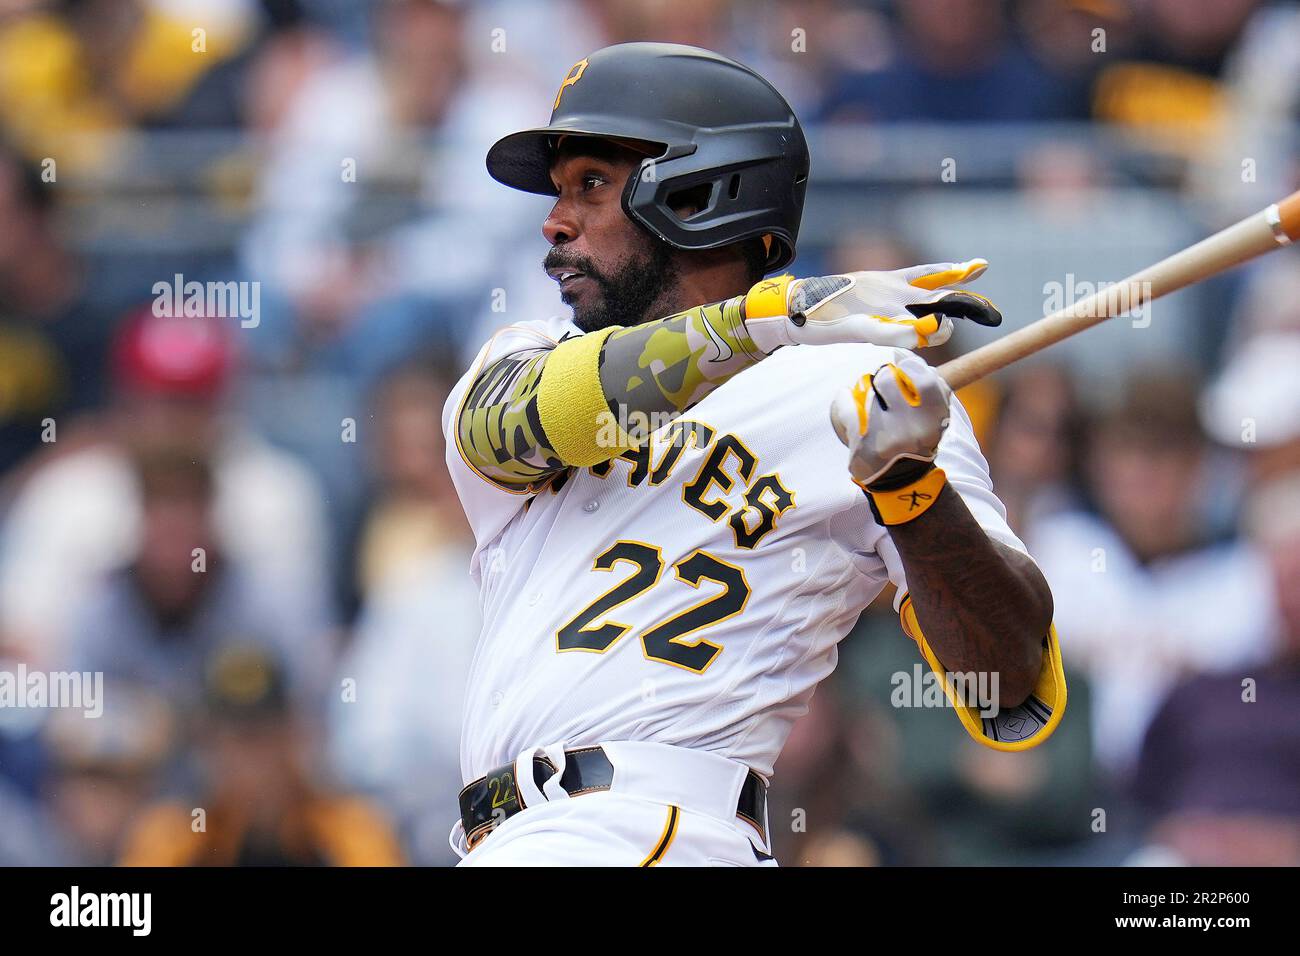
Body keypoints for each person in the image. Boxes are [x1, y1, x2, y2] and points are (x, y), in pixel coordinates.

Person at [442, 42, 1063, 866]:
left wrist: (913, 489)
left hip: (652, 822)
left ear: (700, 191)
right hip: (508, 837)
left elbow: (1008, 684)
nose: (555, 222)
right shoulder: (527, 359)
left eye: (590, 184)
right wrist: (762, 321)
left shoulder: (862, 386)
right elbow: (507, 426)